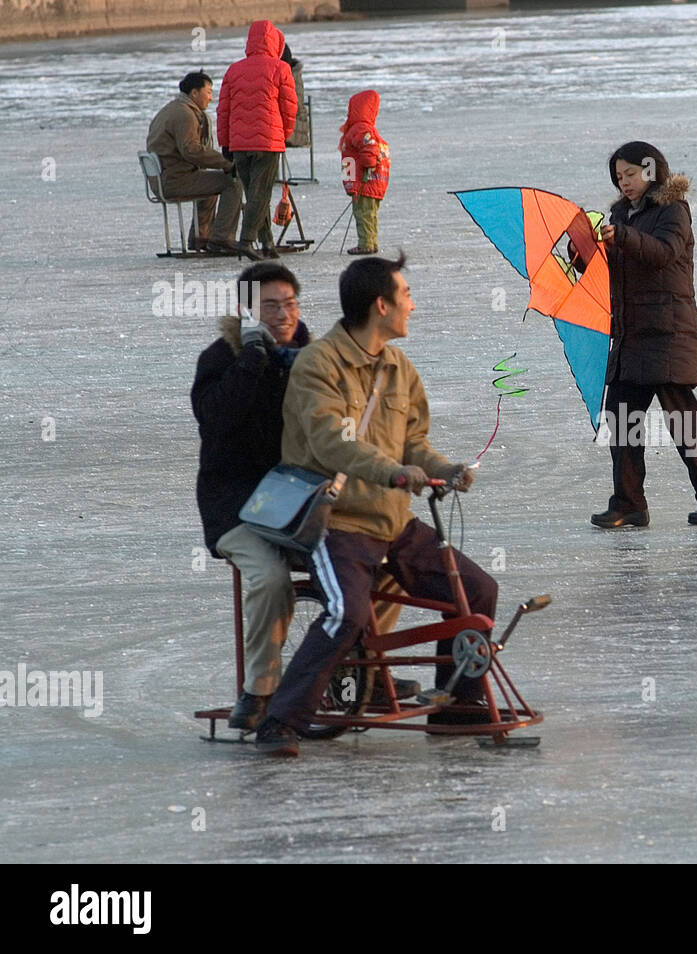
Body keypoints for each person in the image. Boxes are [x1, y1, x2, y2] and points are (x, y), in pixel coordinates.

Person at [255, 254, 494, 756]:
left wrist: (443, 469)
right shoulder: (319, 365)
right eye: (406, 295)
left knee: (475, 591)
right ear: (381, 305)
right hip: (336, 521)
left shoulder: (399, 367)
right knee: (346, 614)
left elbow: (414, 444)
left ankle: (457, 710)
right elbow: (332, 443)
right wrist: (392, 472)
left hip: (392, 520)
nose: (413, 304)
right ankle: (280, 719)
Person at [191, 262, 412, 730]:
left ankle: (361, 671)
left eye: (289, 304)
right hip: (238, 506)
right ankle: (261, 691)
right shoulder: (220, 360)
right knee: (271, 578)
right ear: (245, 311)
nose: (282, 314)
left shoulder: (314, 357)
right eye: (269, 306)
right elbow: (217, 421)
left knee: (382, 560)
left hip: (303, 499)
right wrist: (254, 358)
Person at [592, 141, 697, 529]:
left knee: (681, 417)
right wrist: (587, 248)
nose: (624, 183)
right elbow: (619, 269)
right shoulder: (620, 216)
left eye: (631, 174)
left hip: (667, 330)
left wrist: (619, 238)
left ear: (652, 172)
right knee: (621, 417)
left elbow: (664, 253)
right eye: (619, 177)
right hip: (630, 333)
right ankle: (628, 504)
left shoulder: (673, 211)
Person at [217, 20, 297, 261]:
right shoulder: (281, 68)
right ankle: (246, 241)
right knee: (260, 195)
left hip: (239, 144)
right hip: (268, 142)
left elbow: (224, 111)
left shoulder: (234, 70)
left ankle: (267, 243)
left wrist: (225, 143)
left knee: (254, 193)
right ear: (274, 42)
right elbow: (289, 108)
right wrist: (284, 135)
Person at [145, 71, 243, 254]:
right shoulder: (185, 115)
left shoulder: (171, 109)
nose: (211, 98)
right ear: (194, 93)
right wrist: (226, 164)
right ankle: (222, 238)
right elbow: (192, 151)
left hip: (163, 177)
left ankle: (200, 237)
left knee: (211, 183)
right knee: (233, 183)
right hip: (174, 180)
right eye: (209, 92)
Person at [338, 90, 390, 256]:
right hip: (369, 181)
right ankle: (371, 242)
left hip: (365, 180)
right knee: (370, 213)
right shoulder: (364, 128)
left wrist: (368, 164)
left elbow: (369, 148)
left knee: (363, 213)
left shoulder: (360, 129)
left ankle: (366, 244)